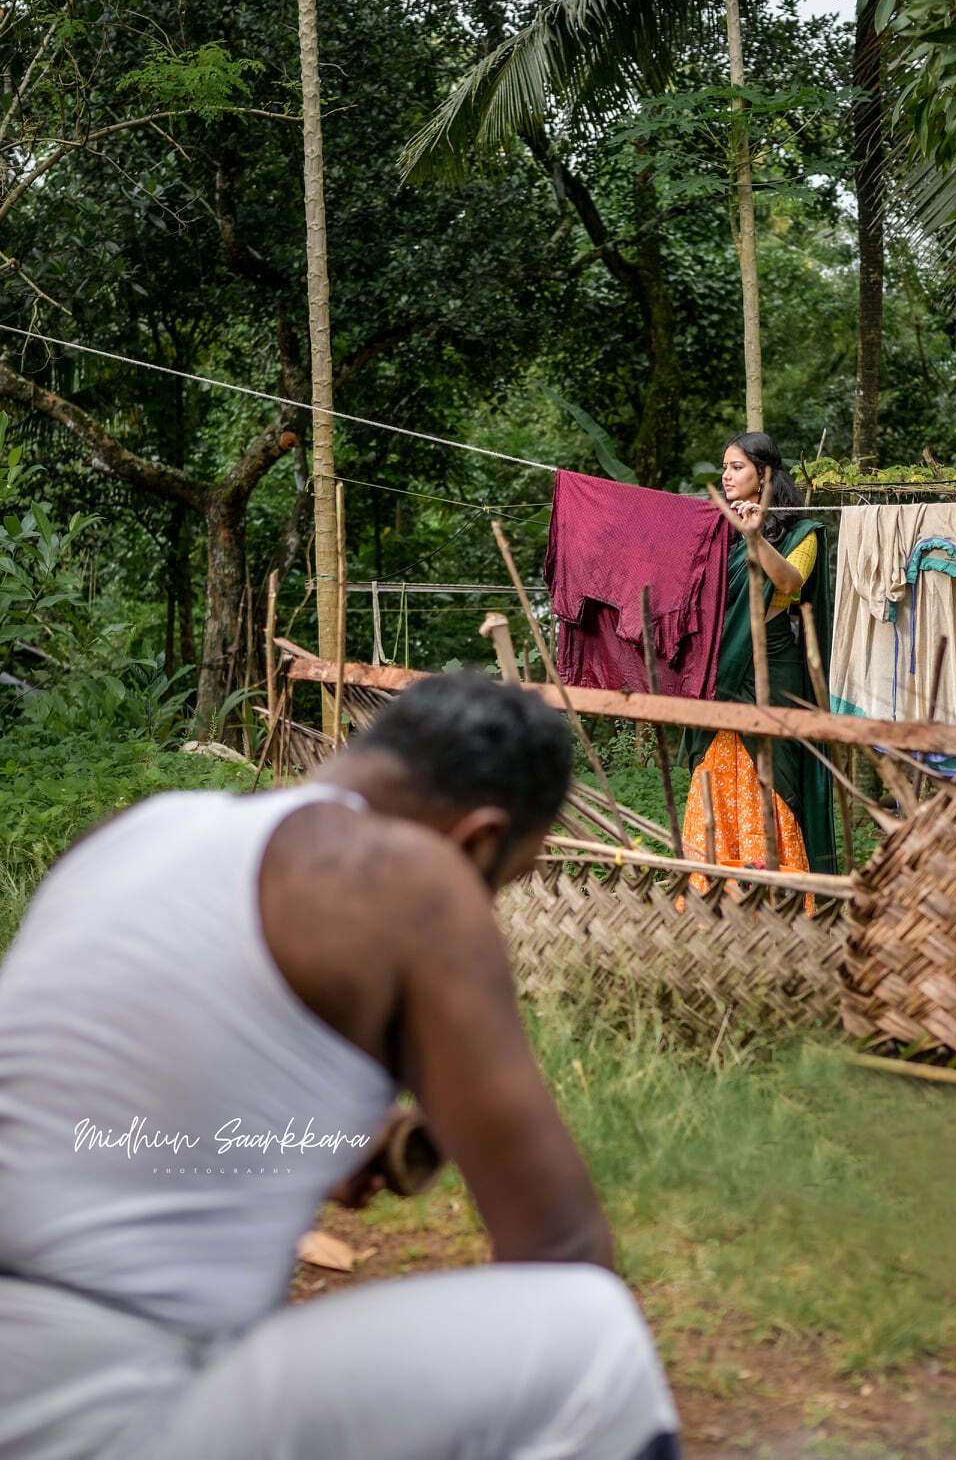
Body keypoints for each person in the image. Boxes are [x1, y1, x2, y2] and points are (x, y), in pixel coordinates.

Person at [0, 673, 680, 1460]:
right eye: (500, 886)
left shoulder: (136, 833)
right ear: (478, 841)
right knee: (592, 1335)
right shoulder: (405, 877)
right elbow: (561, 1248)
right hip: (94, 1411)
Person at [681, 432, 837, 887]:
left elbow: (789, 581)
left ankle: (777, 893)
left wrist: (755, 538)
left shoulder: (803, 533)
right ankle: (711, 887)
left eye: (736, 468)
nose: (726, 476)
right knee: (713, 771)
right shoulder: (714, 530)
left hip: (773, 667)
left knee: (772, 775)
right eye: (725, 468)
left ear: (764, 475)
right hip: (721, 671)